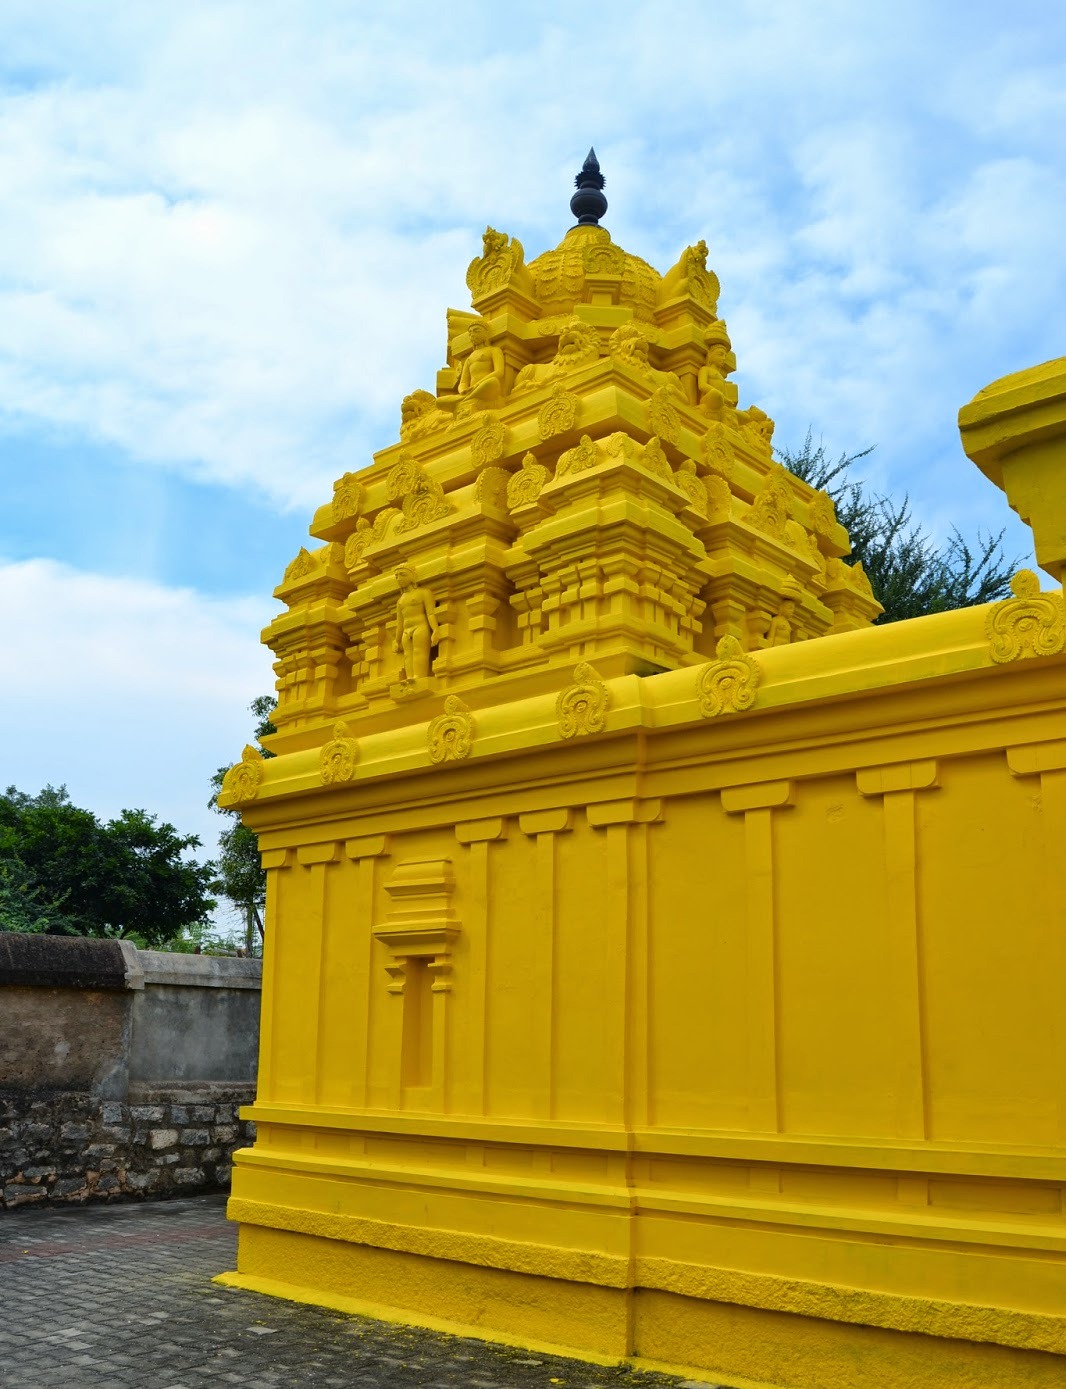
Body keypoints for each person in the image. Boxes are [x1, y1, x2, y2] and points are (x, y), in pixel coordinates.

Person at [393, 564, 439, 680]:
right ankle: (410, 677)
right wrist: (397, 640)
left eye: (403, 575)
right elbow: (400, 623)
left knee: (419, 652)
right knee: (408, 655)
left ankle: (419, 676)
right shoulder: (400, 601)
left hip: (420, 627)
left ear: (413, 576)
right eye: (396, 576)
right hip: (406, 631)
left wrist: (435, 630)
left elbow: (430, 613)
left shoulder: (423, 592)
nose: (399, 578)